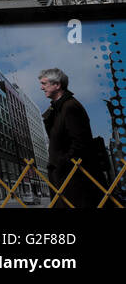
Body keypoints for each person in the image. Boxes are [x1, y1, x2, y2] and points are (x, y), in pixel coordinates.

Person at [40, 68, 100, 209]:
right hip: (64, 177)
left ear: (57, 85)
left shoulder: (70, 107)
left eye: (44, 84)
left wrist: (62, 163)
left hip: (72, 179)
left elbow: (80, 143)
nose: (41, 87)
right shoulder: (58, 109)